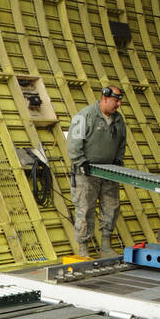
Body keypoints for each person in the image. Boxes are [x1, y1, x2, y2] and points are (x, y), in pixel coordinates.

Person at [66, 84, 126, 257]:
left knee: (111, 207)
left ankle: (105, 246)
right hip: (86, 172)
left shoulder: (118, 120)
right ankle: (83, 249)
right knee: (85, 209)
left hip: (109, 172)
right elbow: (73, 143)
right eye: (115, 101)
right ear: (105, 98)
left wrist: (117, 160)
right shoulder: (85, 116)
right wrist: (80, 161)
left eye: (119, 101)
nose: (118, 105)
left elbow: (122, 142)